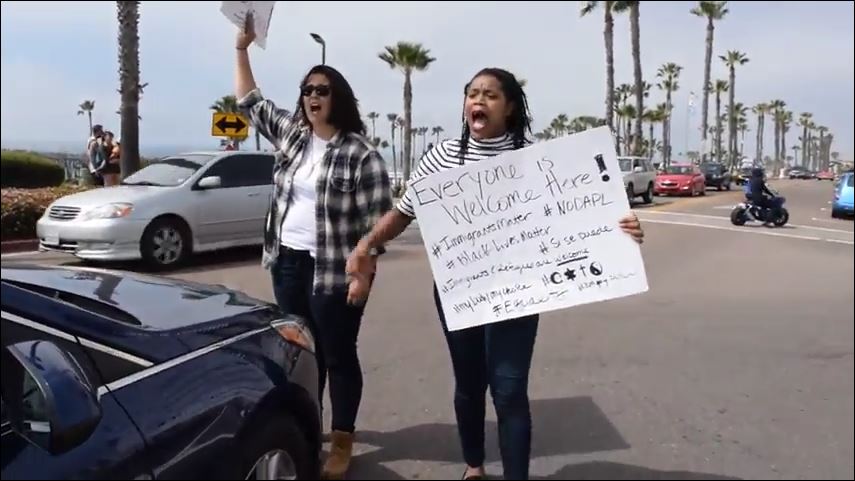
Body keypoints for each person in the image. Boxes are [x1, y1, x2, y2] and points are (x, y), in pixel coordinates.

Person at [346, 68, 645, 480]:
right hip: (459, 292)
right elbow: (403, 213)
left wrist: (620, 229)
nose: (478, 101)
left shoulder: (538, 159)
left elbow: (577, 215)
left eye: (489, 95)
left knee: (508, 391)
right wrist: (366, 245)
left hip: (520, 293)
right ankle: (474, 466)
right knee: (469, 387)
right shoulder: (442, 156)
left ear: (509, 107)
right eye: (472, 94)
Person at [233, 14, 392, 480]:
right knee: (302, 352)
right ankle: (313, 428)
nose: (312, 97)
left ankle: (342, 439)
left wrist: (364, 275)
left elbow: (378, 225)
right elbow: (250, 102)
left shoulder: (361, 154)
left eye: (322, 90)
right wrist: (241, 48)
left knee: (338, 354)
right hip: (287, 263)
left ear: (337, 98)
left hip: (335, 270)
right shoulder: (293, 137)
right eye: (307, 90)